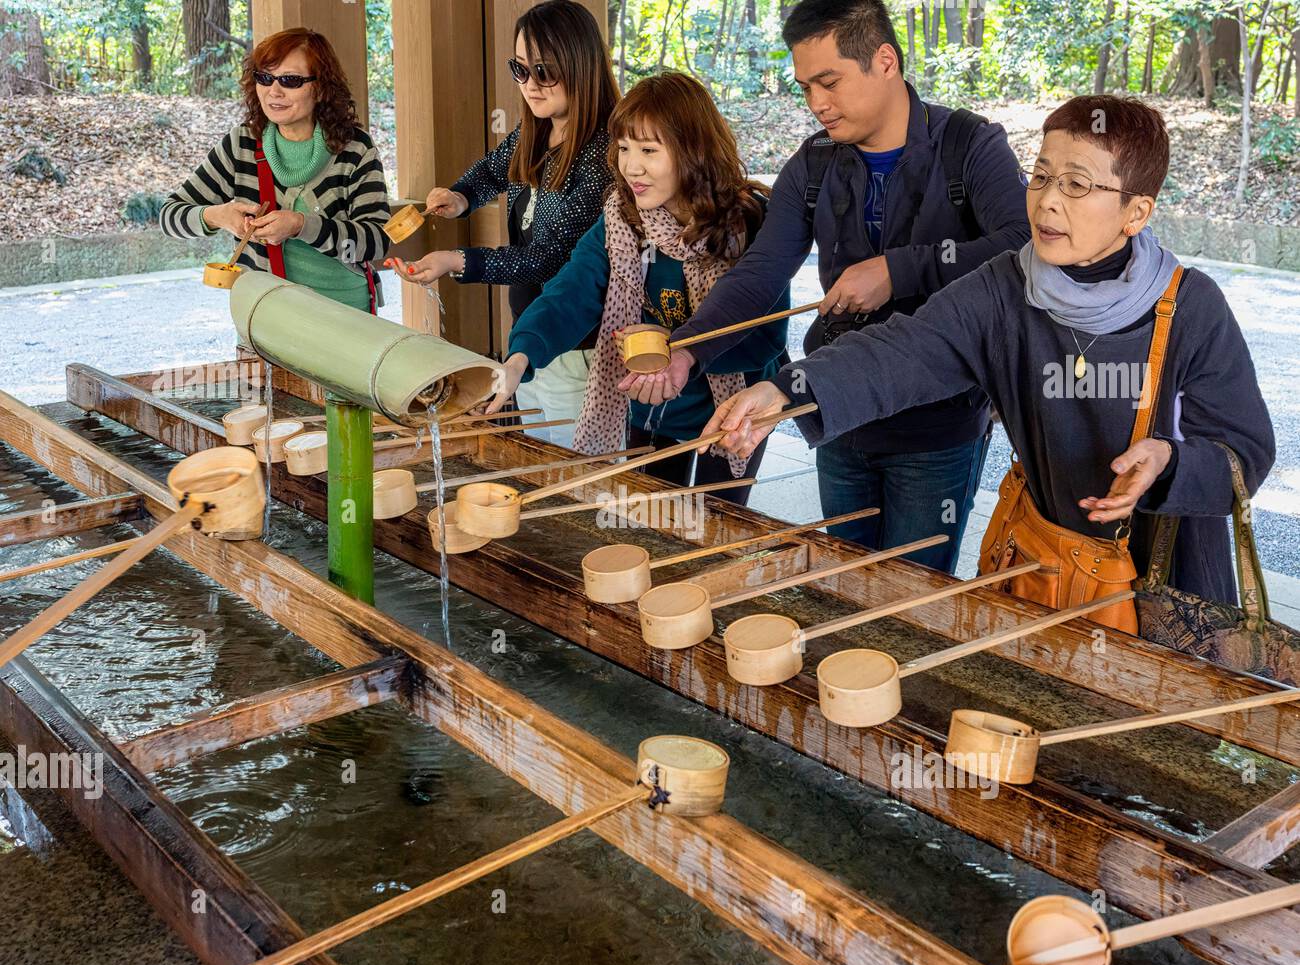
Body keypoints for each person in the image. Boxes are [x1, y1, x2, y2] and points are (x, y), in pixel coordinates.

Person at [704, 95, 1275, 614]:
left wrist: (1169, 464)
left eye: (1077, 186)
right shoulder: (1006, 286)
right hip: (1044, 559)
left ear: (1136, 213)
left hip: (1164, 576)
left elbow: (1244, 451)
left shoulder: (1190, 304)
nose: (1048, 201)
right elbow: (904, 348)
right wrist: (786, 389)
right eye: (1042, 176)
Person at [623, 0, 1030, 571]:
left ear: (885, 61)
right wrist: (688, 349)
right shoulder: (813, 164)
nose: (816, 103)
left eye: (829, 82)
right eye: (805, 87)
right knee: (845, 579)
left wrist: (900, 270)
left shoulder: (969, 146)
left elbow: (1025, 248)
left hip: (937, 420)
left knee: (914, 595)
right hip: (833, 408)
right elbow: (762, 269)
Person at [482, 72, 791, 506]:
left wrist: (680, 348)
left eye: (649, 150)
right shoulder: (622, 217)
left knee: (715, 527)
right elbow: (570, 292)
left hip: (733, 407)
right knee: (650, 520)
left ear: (693, 150)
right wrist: (519, 359)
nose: (631, 166)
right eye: (624, 148)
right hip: (646, 401)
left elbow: (765, 336)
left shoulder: (750, 223)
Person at [391, 0, 619, 447]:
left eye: (544, 71)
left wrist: (457, 260)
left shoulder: (604, 153)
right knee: (535, 467)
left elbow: (546, 260)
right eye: (520, 69)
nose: (530, 85)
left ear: (581, 64)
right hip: (529, 336)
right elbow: (494, 170)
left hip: (579, 346)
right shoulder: (537, 128)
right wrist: (461, 196)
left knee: (582, 481)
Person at [161, 27, 390, 312]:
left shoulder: (355, 148)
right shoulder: (242, 144)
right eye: (265, 78)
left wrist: (301, 225)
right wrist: (217, 215)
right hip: (262, 316)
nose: (274, 91)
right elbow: (169, 216)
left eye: (291, 80)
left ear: (321, 88)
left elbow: (377, 242)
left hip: (344, 315)